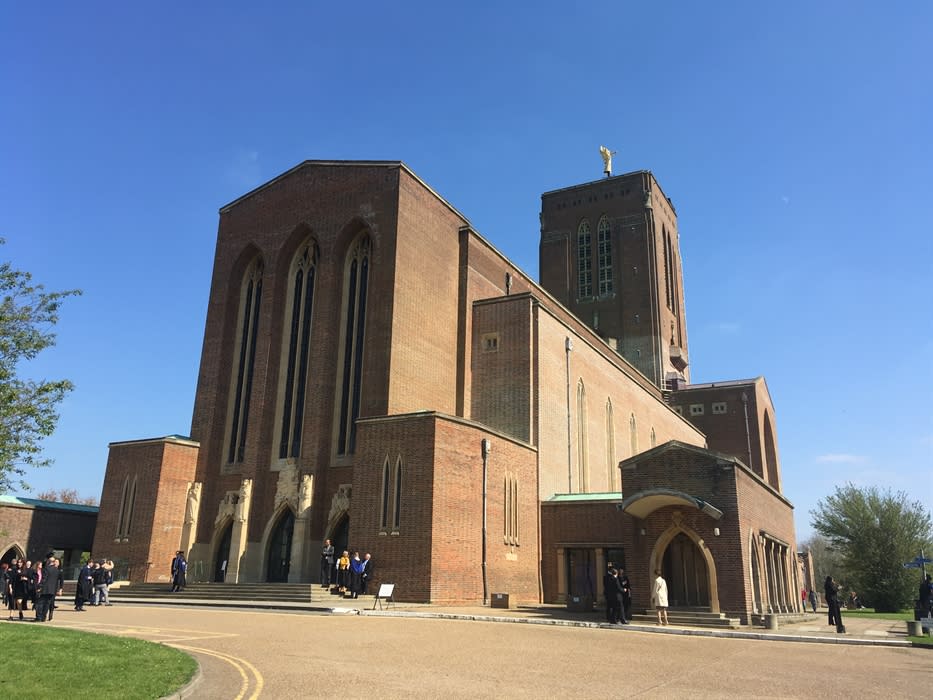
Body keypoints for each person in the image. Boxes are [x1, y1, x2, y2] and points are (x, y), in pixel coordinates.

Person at [35, 556, 63, 622]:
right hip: (52, 590)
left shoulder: (46, 569)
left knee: (40, 603)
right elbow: (59, 580)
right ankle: (43, 617)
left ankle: (39, 617)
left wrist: (39, 586)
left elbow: (44, 579)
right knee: (47, 604)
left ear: (49, 562)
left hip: (45, 589)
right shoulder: (57, 570)